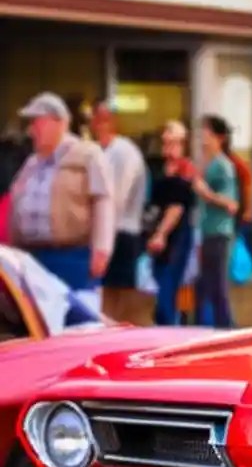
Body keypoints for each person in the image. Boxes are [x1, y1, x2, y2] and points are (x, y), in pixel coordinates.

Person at [7, 92, 115, 312]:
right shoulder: (32, 162)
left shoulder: (87, 155)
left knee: (77, 317)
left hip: (73, 257)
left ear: (59, 123)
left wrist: (102, 248)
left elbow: (104, 200)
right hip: (34, 259)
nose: (31, 131)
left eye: (37, 123)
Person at [90, 99, 150, 324]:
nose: (99, 125)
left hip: (123, 231)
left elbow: (117, 197)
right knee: (106, 295)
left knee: (123, 297)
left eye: (104, 120)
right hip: (106, 233)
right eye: (96, 120)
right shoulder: (99, 151)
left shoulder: (125, 152)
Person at [145, 121, 198, 325]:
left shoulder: (185, 169)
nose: (168, 148)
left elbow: (177, 206)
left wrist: (161, 234)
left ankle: (169, 325)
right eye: (165, 142)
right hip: (158, 231)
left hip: (177, 235)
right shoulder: (159, 168)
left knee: (168, 285)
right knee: (159, 281)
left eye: (173, 143)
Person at [191, 115, 239, 328]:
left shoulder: (223, 166)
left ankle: (226, 328)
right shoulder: (207, 163)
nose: (203, 138)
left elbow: (231, 204)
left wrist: (206, 193)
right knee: (204, 285)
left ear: (219, 138)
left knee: (218, 286)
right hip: (206, 232)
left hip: (219, 233)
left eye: (207, 133)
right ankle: (205, 326)